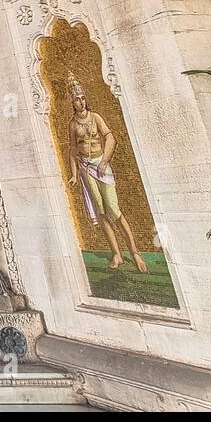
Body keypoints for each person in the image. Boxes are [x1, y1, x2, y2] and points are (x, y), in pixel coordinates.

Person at [65, 72, 148, 274]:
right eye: (77, 99)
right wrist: (75, 174)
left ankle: (135, 252)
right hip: (85, 169)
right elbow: (73, 151)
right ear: (72, 102)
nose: (81, 102)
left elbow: (110, 139)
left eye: (83, 98)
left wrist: (104, 161)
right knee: (101, 212)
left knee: (113, 208)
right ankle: (116, 253)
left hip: (100, 165)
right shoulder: (73, 125)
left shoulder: (96, 118)